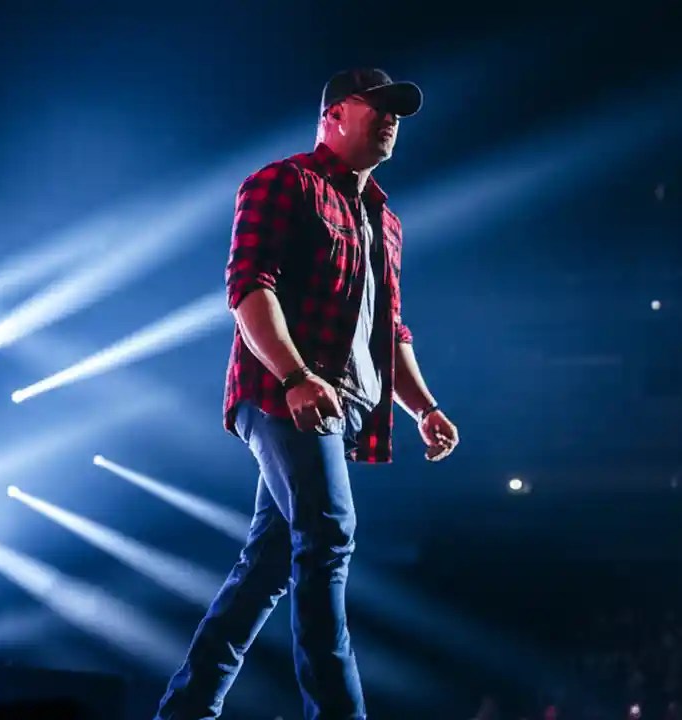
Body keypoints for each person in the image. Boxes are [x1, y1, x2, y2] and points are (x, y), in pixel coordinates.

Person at [154, 68, 459, 720]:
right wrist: (294, 376)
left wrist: (425, 407)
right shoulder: (283, 183)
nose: (389, 120)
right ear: (333, 116)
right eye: (374, 107)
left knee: (268, 567)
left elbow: (390, 332)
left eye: (395, 113)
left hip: (343, 407)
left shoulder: (386, 220)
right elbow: (248, 288)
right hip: (280, 394)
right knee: (328, 536)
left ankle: (184, 712)